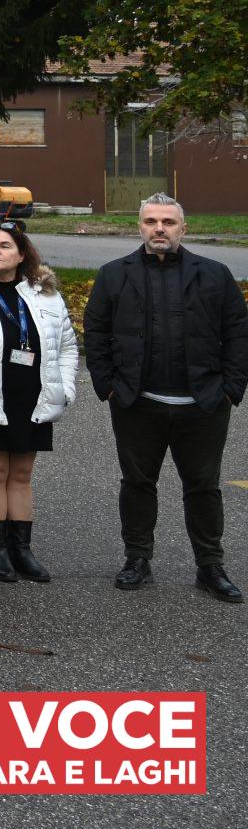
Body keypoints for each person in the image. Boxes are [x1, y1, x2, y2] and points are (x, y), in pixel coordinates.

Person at [83, 194, 245, 602]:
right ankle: (137, 559)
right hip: (138, 403)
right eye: (151, 221)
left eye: (168, 222)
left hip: (203, 404)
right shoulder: (113, 275)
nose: (159, 229)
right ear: (139, 227)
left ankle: (210, 565)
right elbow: (97, 333)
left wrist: (230, 388)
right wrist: (109, 386)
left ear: (183, 229)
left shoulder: (215, 274)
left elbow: (239, 333)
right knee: (138, 483)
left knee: (204, 487)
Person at [0, 220, 78, 585]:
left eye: (4, 245)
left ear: (21, 254)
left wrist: (66, 390)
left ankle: (22, 549)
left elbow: (67, 347)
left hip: (34, 397)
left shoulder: (45, 294)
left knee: (22, 475)